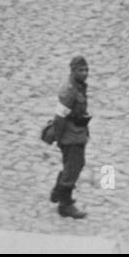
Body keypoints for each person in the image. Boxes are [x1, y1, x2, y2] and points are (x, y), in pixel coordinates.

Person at [48, 55, 90, 220]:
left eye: (86, 70)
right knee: (73, 167)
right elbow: (60, 117)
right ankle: (65, 204)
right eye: (80, 70)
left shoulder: (79, 86)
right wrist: (59, 138)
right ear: (73, 71)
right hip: (70, 136)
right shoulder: (69, 91)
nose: (84, 73)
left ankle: (58, 190)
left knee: (75, 165)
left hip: (77, 133)